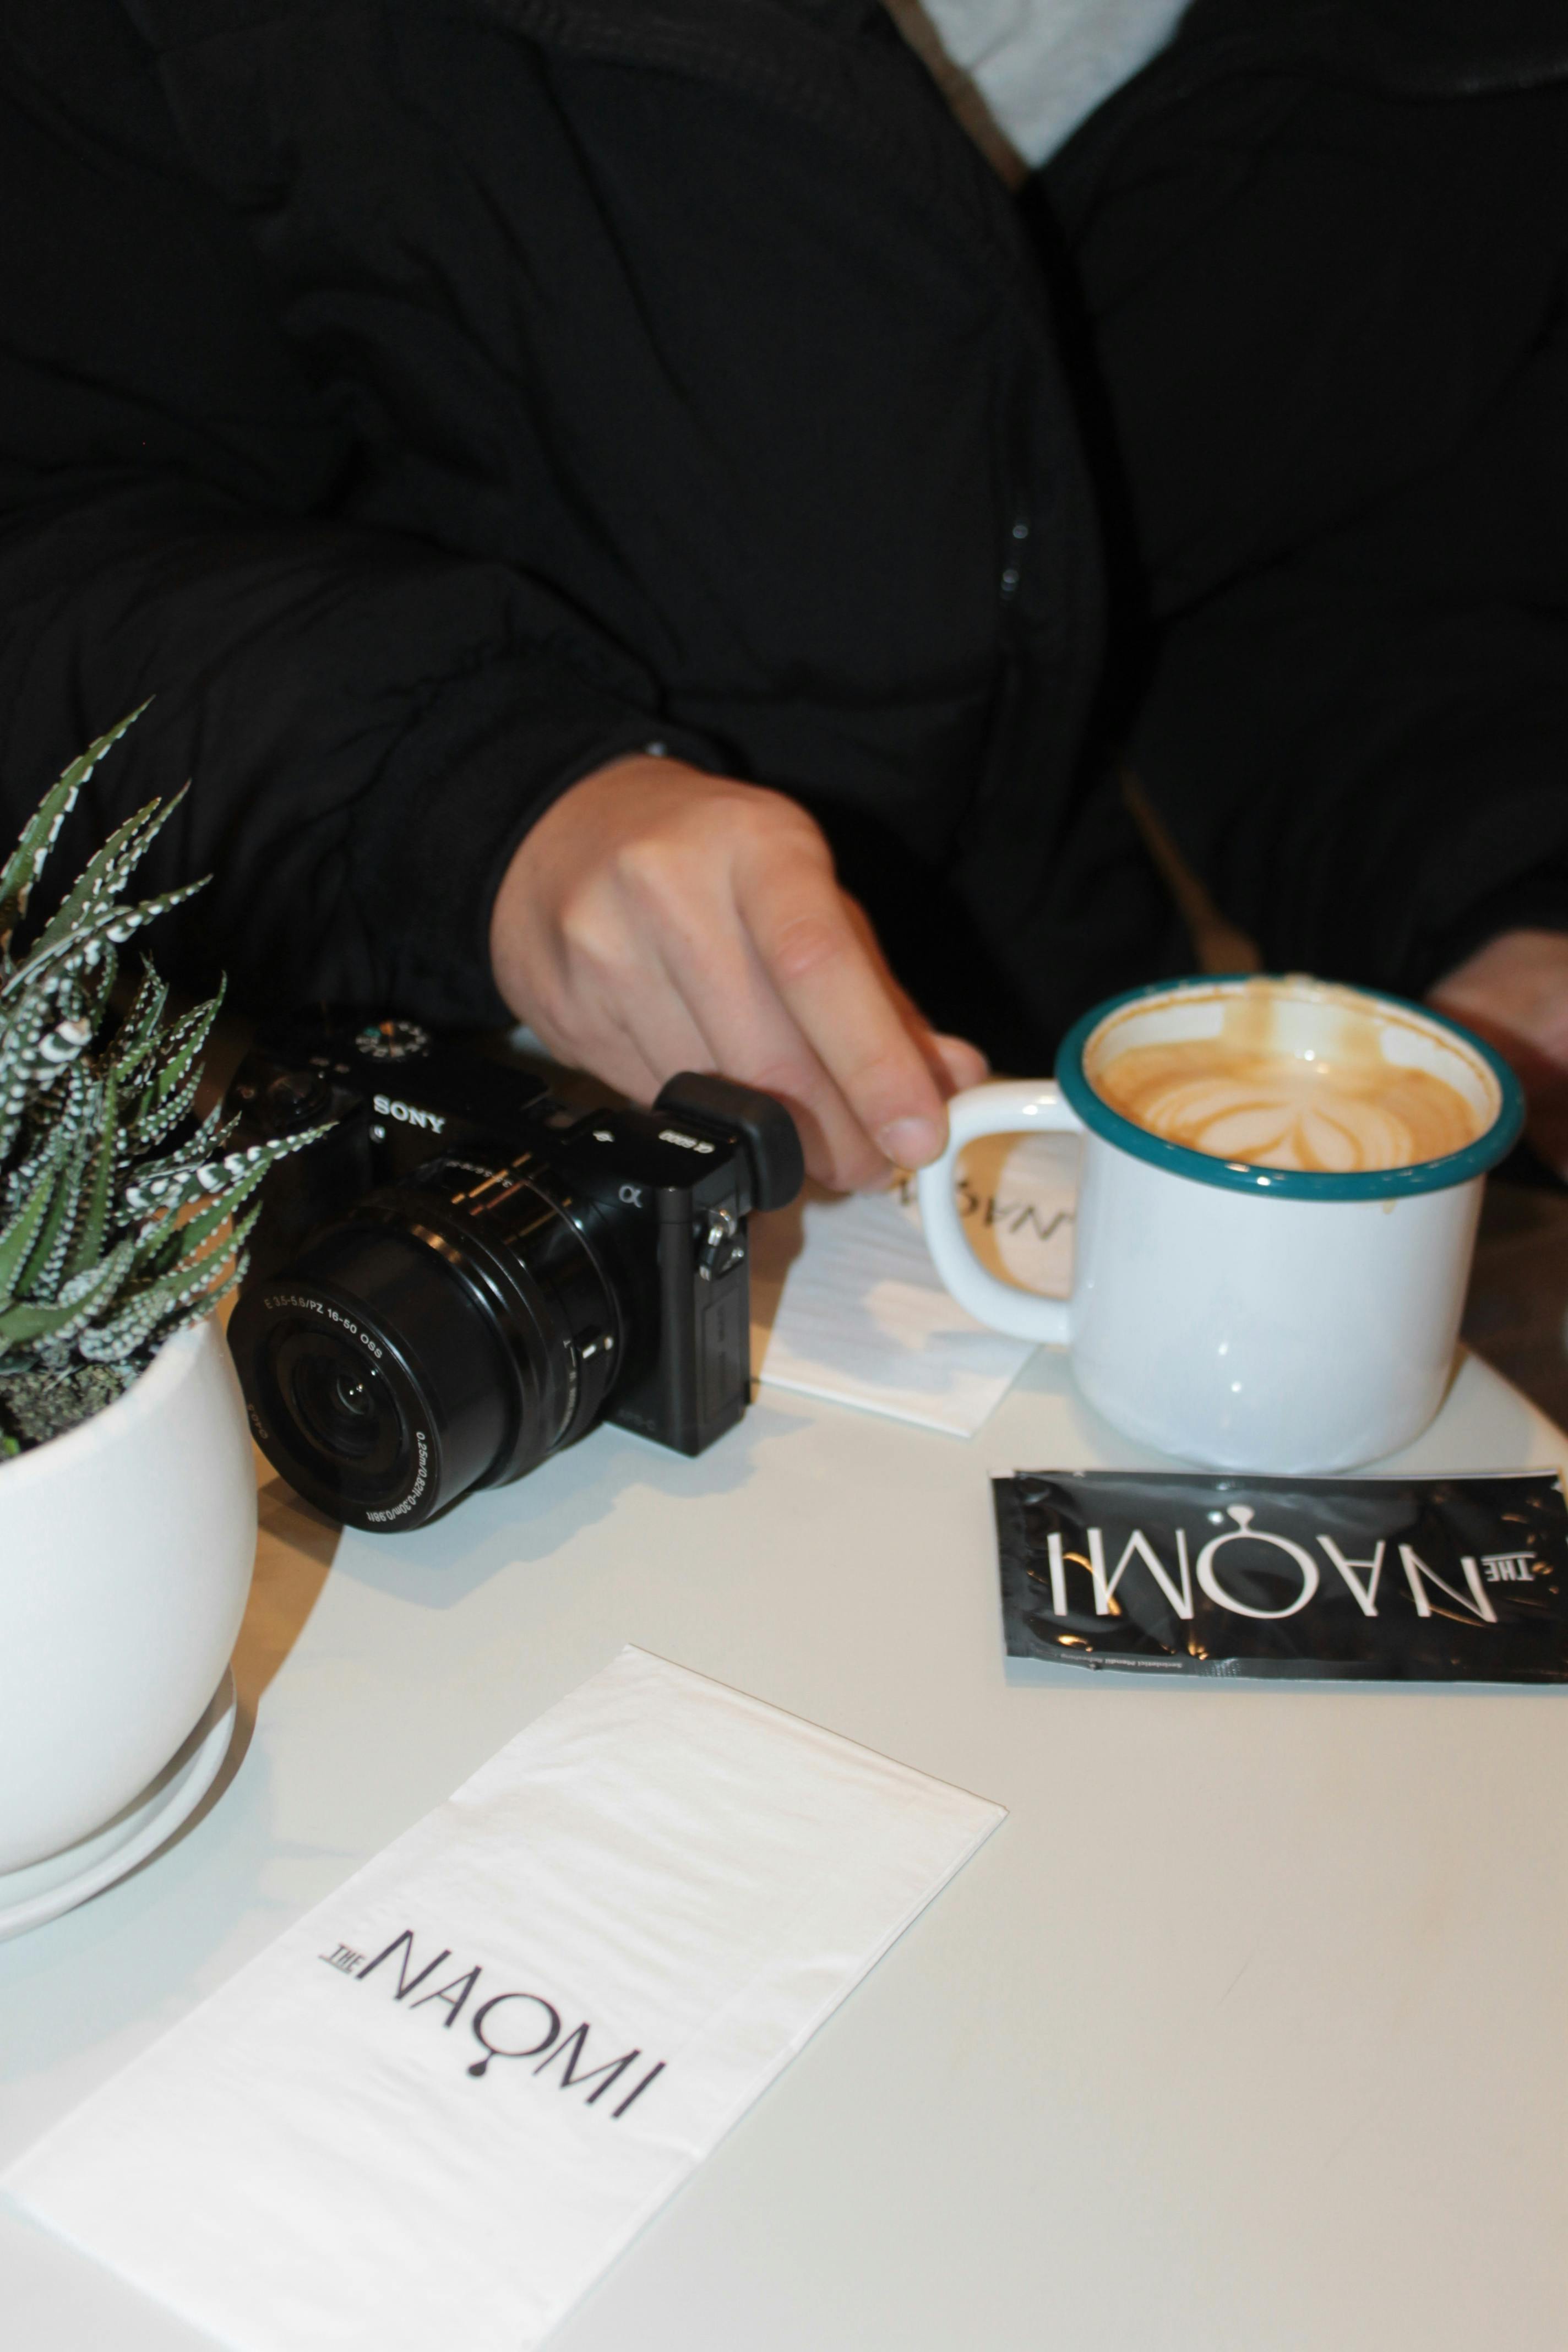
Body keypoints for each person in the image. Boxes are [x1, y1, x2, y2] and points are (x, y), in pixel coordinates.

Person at [2, 0, 1565, 1188]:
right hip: (369, 1131)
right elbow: (50, 529)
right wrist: (471, 796)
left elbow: (1294, 539)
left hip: (1021, 1073)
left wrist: (1507, 892)